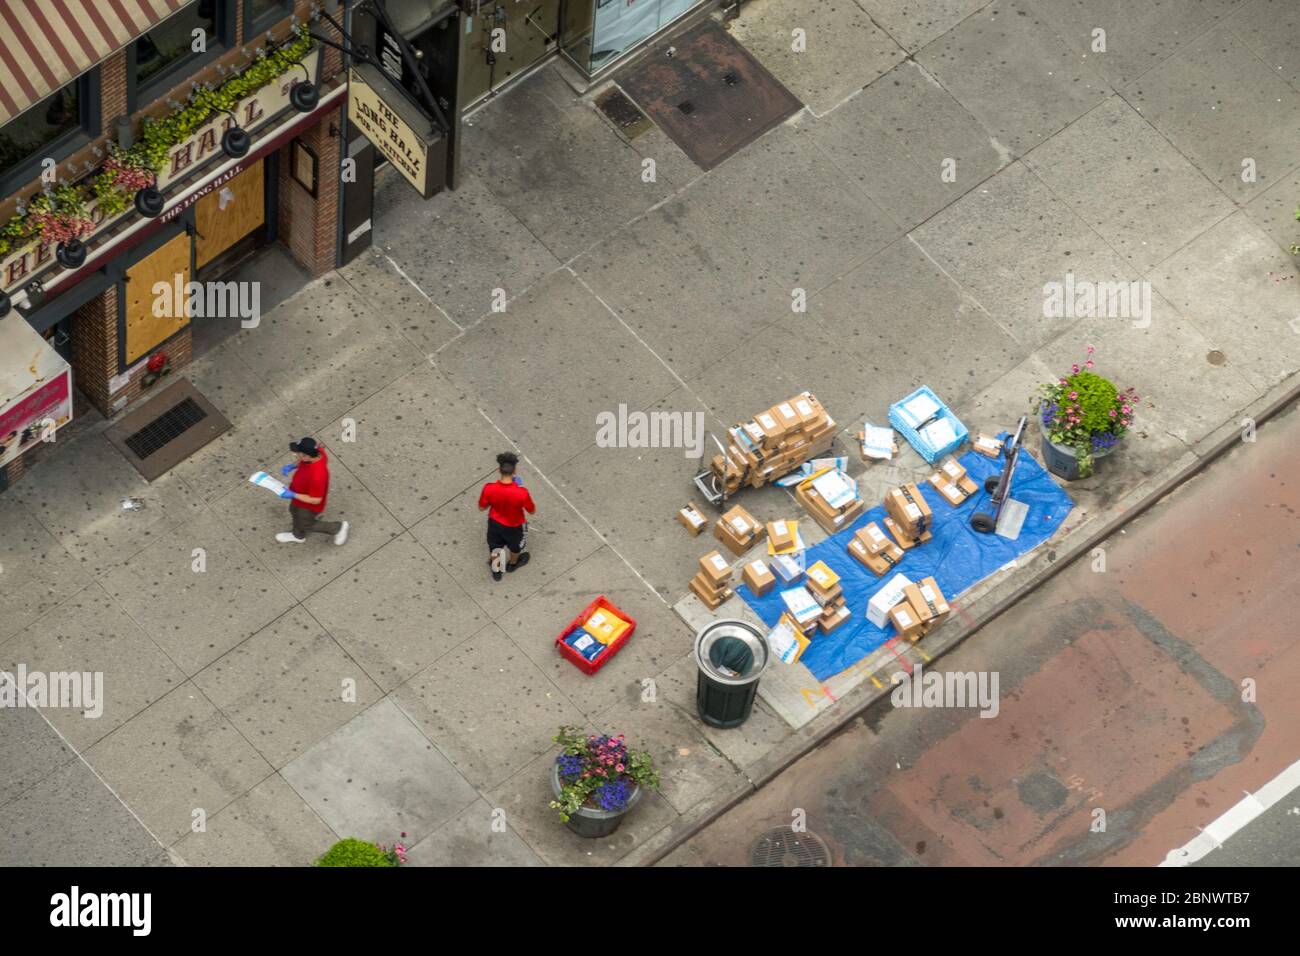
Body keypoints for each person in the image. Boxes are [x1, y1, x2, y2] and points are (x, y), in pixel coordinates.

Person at [275, 437, 349, 545]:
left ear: (306, 456)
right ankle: (298, 535)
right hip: (299, 496)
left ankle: (337, 528)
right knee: (294, 511)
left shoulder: (318, 476)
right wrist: (293, 465)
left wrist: (293, 494)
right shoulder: (317, 453)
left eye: (298, 453)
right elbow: (321, 446)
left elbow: (316, 500)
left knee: (306, 523)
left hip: (309, 505)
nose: (296, 455)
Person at [478, 451, 535, 581]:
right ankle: (512, 565)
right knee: (515, 546)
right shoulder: (522, 492)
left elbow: (482, 507)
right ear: (514, 471)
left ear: (499, 469)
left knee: (495, 546)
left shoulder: (489, 488)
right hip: (514, 526)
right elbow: (531, 511)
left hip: (495, 524)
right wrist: (519, 489)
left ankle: (497, 571)